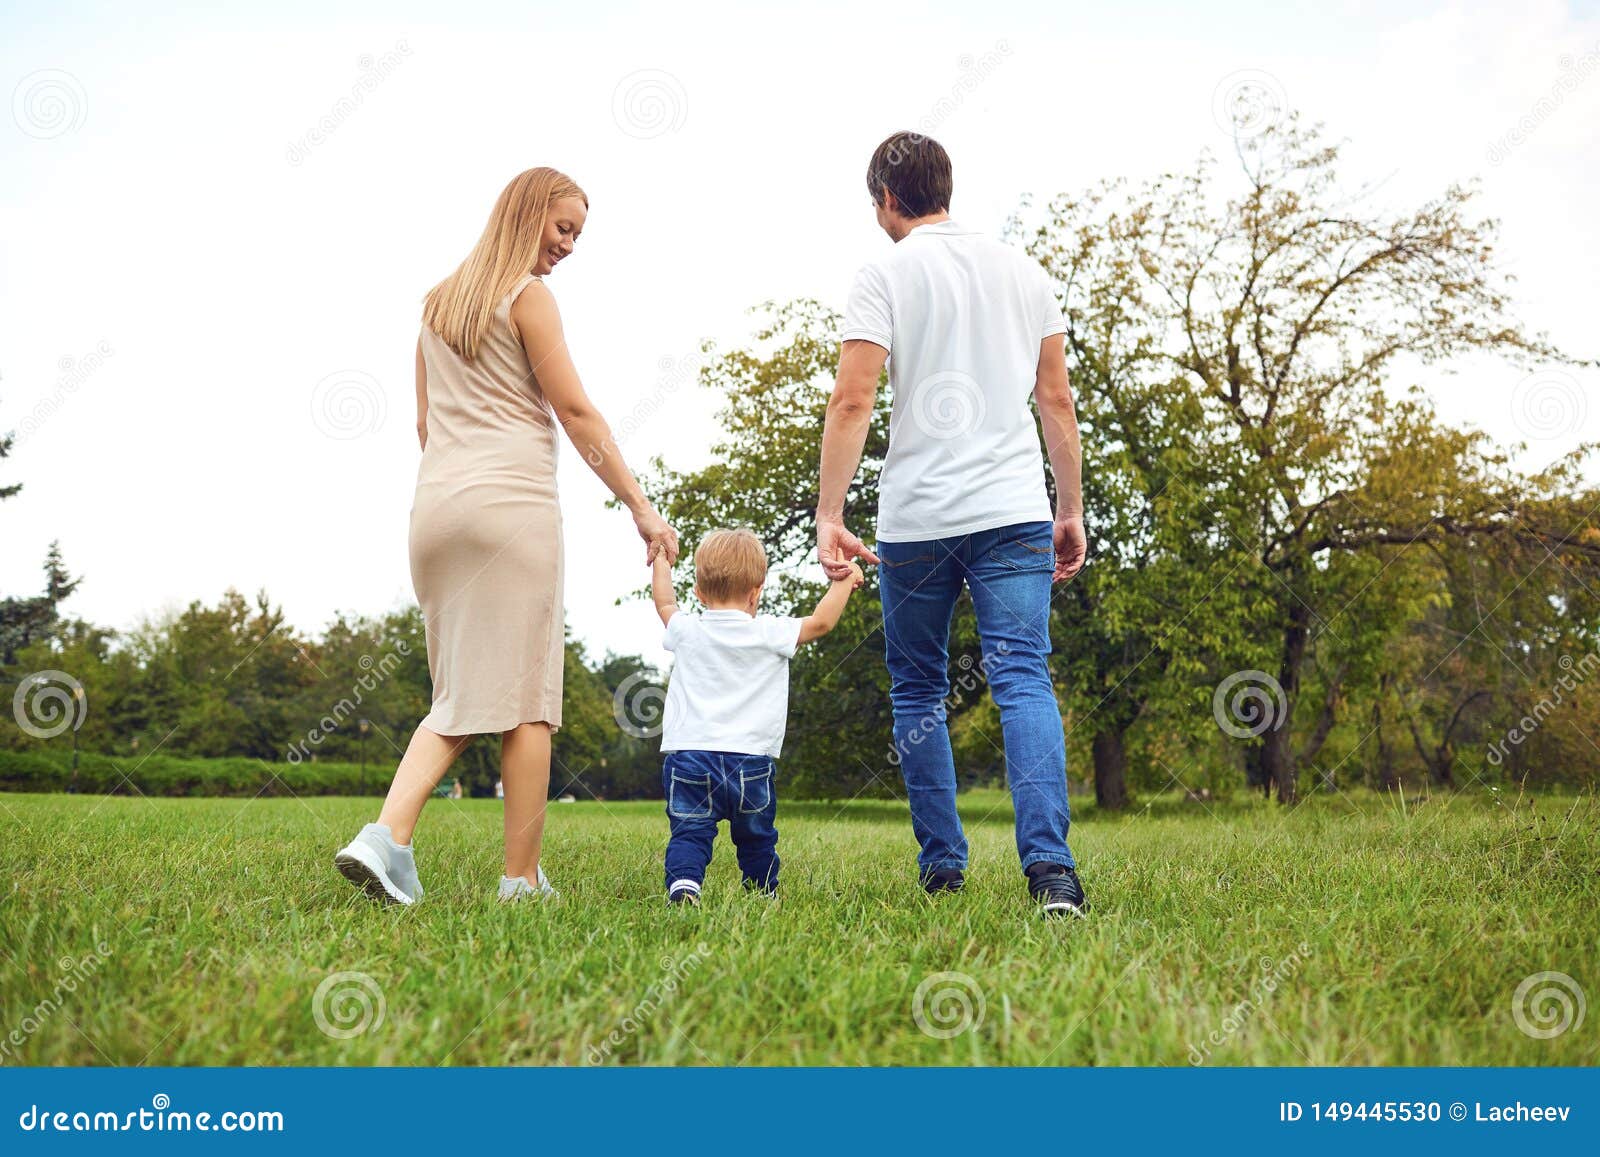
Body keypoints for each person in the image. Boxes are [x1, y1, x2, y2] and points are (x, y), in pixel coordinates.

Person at [334, 167, 678, 906]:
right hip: (511, 508)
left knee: (465, 689)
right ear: (525, 216)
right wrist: (640, 507)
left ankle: (393, 839)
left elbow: (425, 426)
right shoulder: (528, 298)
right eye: (563, 228)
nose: (571, 245)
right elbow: (577, 413)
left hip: (435, 513)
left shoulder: (436, 307)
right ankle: (507, 876)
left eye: (579, 233)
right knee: (527, 698)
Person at [816, 132, 1091, 918]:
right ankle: (1051, 873)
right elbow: (1057, 402)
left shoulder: (883, 273)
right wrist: (1067, 510)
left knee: (918, 689)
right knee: (1022, 676)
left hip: (919, 519)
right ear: (946, 187)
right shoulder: (1024, 270)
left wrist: (830, 514)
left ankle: (943, 867)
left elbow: (853, 400)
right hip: (1013, 513)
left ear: (886, 200)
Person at [650, 529, 863, 906]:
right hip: (750, 762)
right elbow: (822, 622)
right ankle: (763, 891)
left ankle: (684, 885)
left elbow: (664, 602)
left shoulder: (687, 630)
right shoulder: (770, 632)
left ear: (698, 593)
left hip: (690, 757)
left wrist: (662, 562)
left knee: (689, 832)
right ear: (756, 592)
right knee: (757, 834)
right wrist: (845, 581)